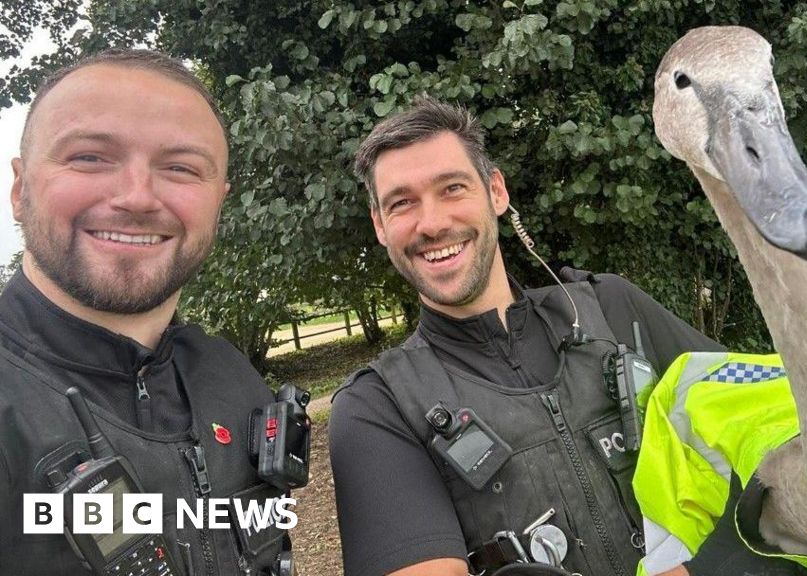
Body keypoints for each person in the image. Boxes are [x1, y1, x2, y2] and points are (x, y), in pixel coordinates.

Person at [328, 95, 726, 576]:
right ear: (380, 226)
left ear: (496, 192)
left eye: (452, 188)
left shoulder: (613, 308)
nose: (431, 223)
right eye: (401, 203)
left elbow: (766, 432)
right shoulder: (378, 405)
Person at [0, 50, 292, 575]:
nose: (137, 197)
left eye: (180, 167)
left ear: (219, 200)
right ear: (20, 188)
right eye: (89, 157)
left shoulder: (233, 378)